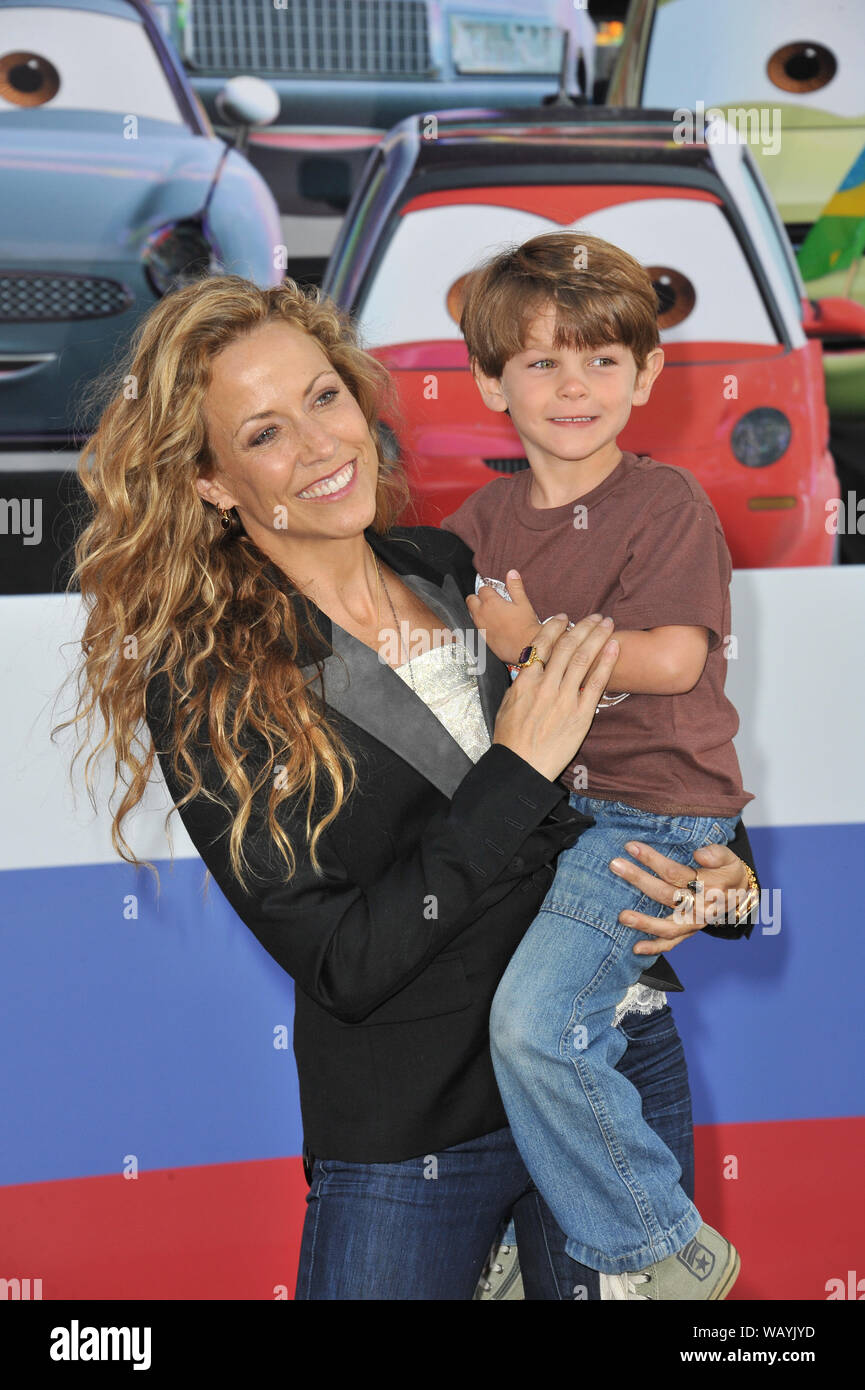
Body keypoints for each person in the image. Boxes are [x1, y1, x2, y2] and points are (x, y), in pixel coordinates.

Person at [59, 273, 759, 1300]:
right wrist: (512, 768)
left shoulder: (454, 564)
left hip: (603, 1069)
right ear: (211, 481)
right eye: (262, 433)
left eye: (324, 397)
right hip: (417, 1128)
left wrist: (724, 882)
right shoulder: (213, 684)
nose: (318, 444)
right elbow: (343, 958)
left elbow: (640, 752)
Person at [441, 230, 757, 1300]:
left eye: (601, 360)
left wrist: (535, 641)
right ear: (491, 381)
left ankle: (660, 1250)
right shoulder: (479, 522)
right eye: (540, 362)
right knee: (493, 1017)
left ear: (646, 373)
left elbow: (672, 657)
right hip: (542, 825)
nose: (573, 385)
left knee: (536, 1024)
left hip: (647, 820)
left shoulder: (664, 505)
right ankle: (511, 1234)